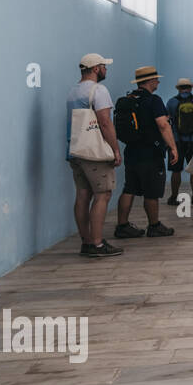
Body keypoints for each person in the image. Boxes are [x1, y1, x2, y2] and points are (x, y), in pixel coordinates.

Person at [67, 54, 123, 257]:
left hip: (75, 150)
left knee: (82, 195)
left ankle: (86, 241)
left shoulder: (73, 91)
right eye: (104, 66)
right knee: (103, 195)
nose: (106, 69)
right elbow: (105, 122)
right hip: (95, 153)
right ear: (96, 69)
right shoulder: (98, 90)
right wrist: (115, 149)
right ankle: (97, 244)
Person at [113, 65, 180, 239]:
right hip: (150, 152)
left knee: (129, 188)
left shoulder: (128, 98)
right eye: (156, 79)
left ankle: (122, 226)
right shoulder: (154, 100)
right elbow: (163, 125)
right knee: (152, 191)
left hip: (131, 151)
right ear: (150, 80)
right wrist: (172, 147)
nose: (158, 81)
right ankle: (154, 226)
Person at [166, 78, 193, 206]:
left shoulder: (171, 102)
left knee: (176, 170)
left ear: (178, 88)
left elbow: (166, 123)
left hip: (175, 141)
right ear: (191, 88)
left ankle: (174, 196)